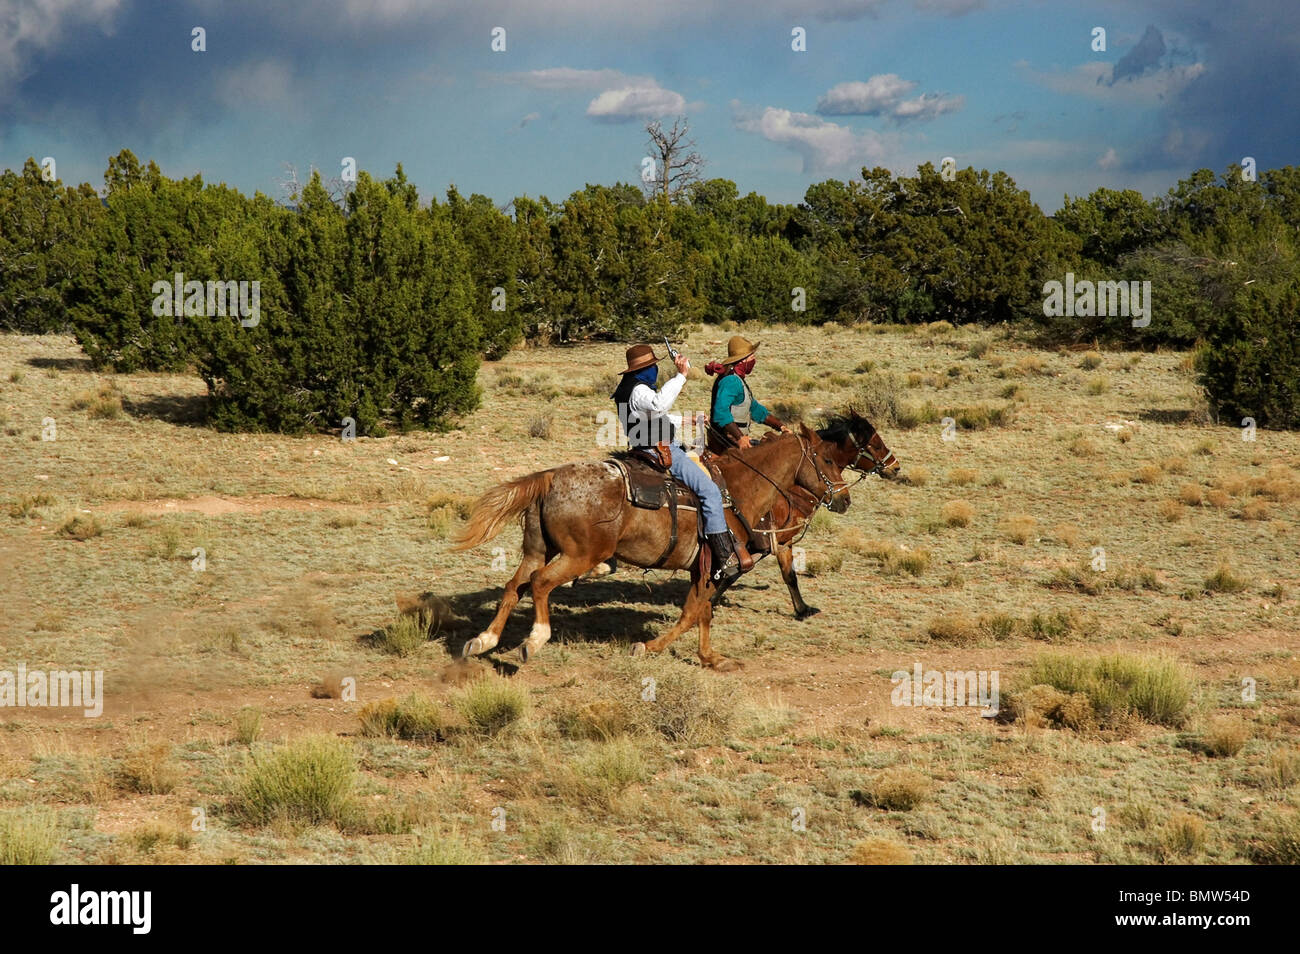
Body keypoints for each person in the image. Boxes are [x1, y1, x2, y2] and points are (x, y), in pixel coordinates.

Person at [611, 343, 746, 584]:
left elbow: (654, 416)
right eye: (652, 365)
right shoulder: (641, 390)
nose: (654, 369)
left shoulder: (628, 389)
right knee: (710, 491)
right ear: (644, 369)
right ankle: (724, 557)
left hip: (643, 445)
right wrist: (681, 375)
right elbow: (658, 405)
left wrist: (688, 419)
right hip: (660, 448)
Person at [705, 335, 789, 455]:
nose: (754, 359)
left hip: (732, 441)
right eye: (752, 356)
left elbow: (755, 409)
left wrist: (781, 427)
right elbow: (721, 412)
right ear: (743, 360)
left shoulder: (737, 380)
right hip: (726, 444)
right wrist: (740, 438)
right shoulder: (731, 381)